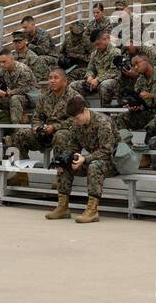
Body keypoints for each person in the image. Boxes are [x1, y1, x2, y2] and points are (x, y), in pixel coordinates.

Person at [45, 96, 117, 224]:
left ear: (85, 110)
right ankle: (63, 207)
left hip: (113, 161)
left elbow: (107, 152)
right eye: (74, 119)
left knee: (95, 165)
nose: (76, 121)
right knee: (66, 164)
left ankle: (92, 210)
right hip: (92, 158)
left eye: (77, 118)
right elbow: (72, 146)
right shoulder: (77, 124)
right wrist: (66, 160)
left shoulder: (102, 122)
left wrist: (84, 158)